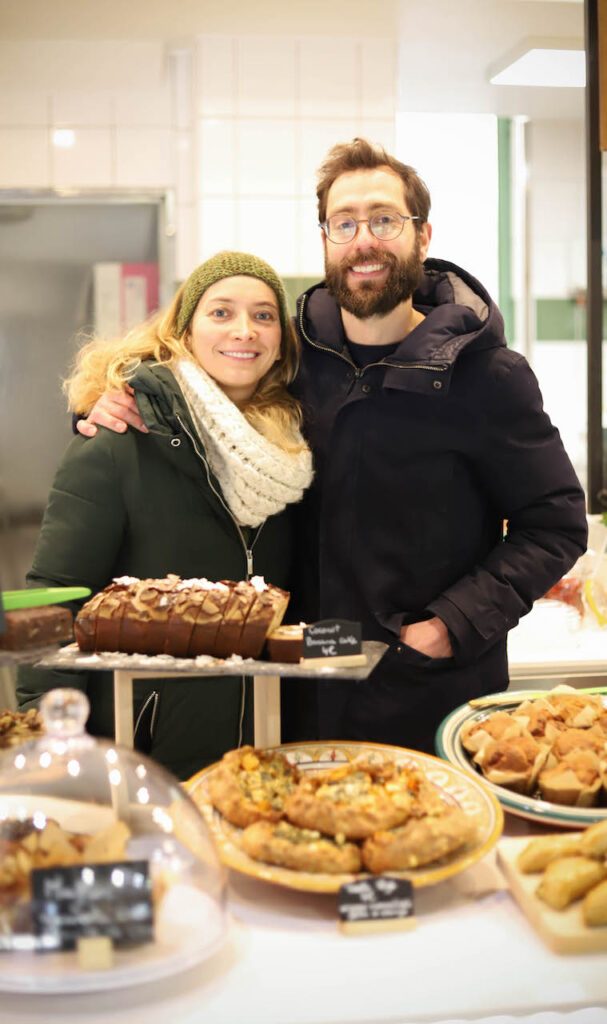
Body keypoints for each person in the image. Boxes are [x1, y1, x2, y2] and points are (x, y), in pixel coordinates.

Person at [75, 138, 588, 755]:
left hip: (425, 698)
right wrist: (99, 405)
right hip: (294, 696)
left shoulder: (486, 376)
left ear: (423, 238)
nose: (363, 238)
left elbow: (555, 525)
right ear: (325, 240)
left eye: (384, 219)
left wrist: (449, 626)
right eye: (343, 223)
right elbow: (184, 396)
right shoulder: (289, 360)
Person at [17, 251, 313, 779]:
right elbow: (58, 596)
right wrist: (50, 751)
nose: (244, 330)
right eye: (221, 312)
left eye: (264, 315)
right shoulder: (118, 439)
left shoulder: (295, 452)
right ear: (185, 330)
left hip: (264, 752)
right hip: (142, 758)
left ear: (281, 341)